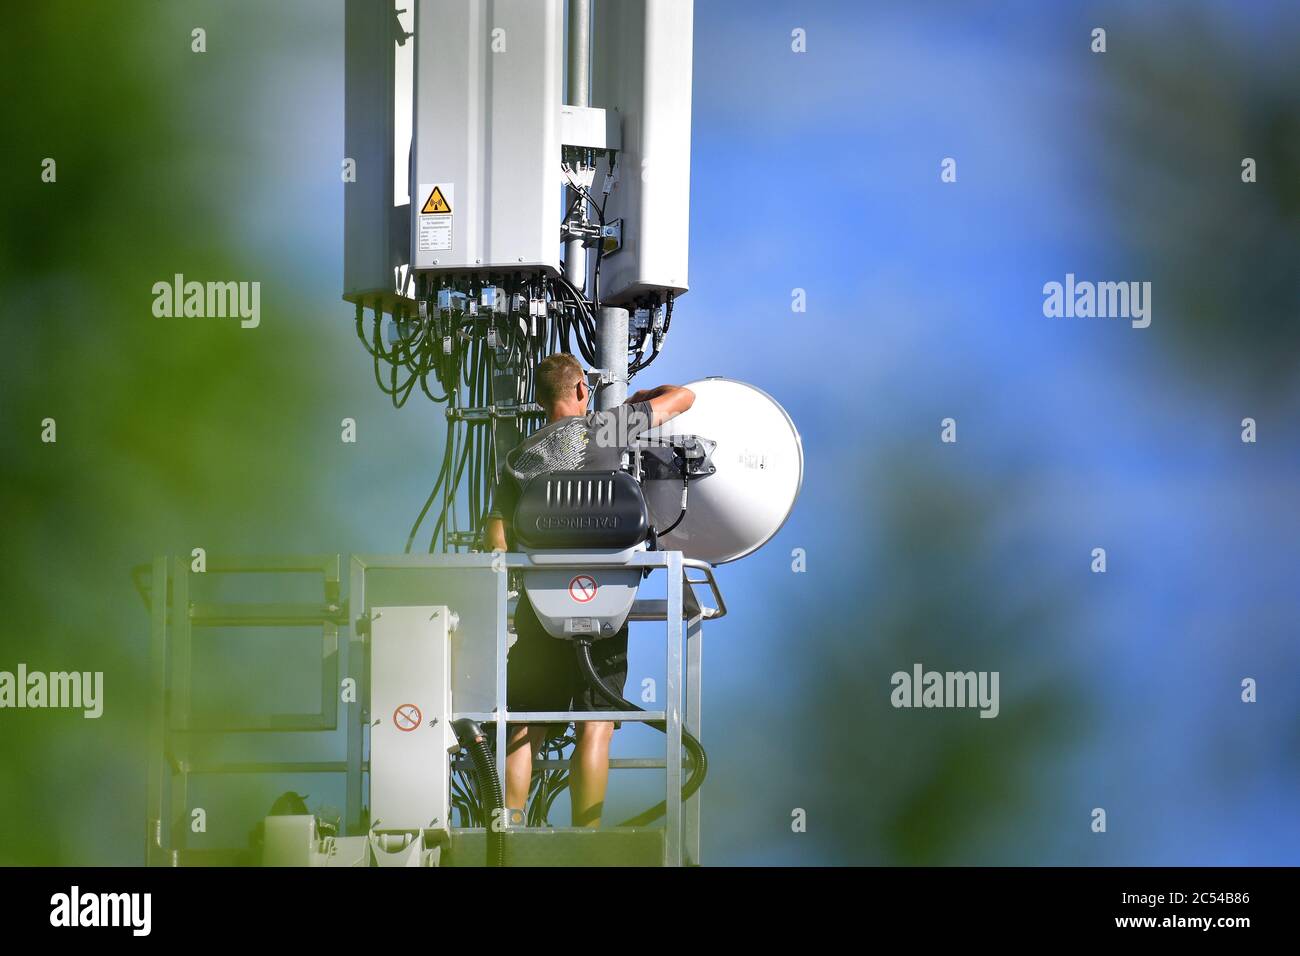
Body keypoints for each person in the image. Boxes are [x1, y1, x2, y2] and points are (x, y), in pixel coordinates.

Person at [482, 353, 694, 827]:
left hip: (540, 608)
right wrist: (639, 401)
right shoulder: (604, 429)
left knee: (525, 725)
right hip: (606, 608)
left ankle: (509, 824)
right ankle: (588, 835)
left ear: (539, 401)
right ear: (581, 390)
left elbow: (495, 538)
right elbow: (684, 398)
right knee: (595, 726)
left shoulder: (517, 459)